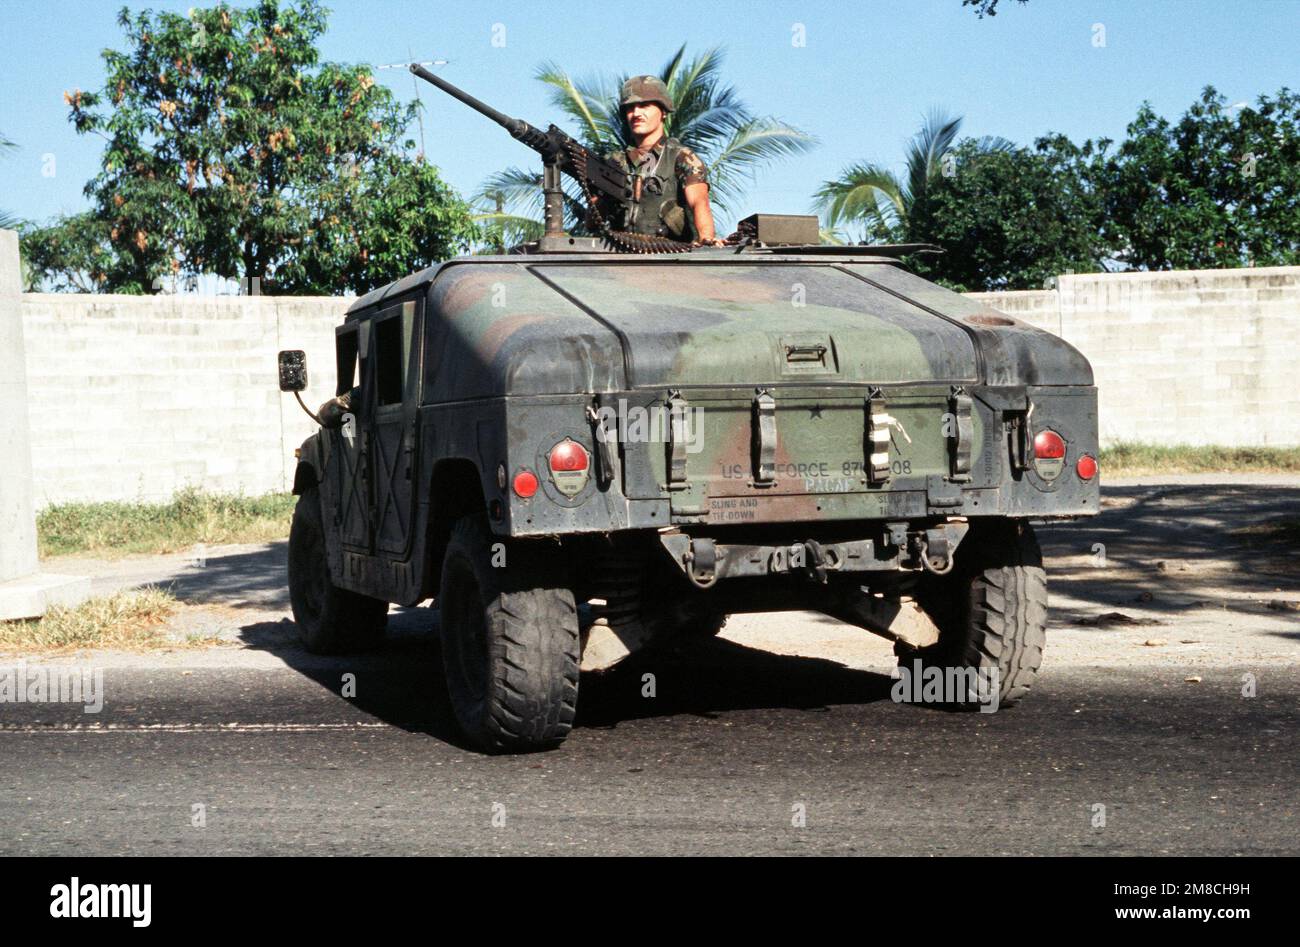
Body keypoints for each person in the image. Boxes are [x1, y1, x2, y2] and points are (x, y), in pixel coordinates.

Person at [602, 75, 725, 246]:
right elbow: (592, 221)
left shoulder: (682, 157)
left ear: (663, 111)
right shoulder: (615, 161)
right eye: (630, 108)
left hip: (669, 257)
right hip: (618, 255)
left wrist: (706, 238)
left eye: (644, 105)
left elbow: (699, 202)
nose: (636, 113)